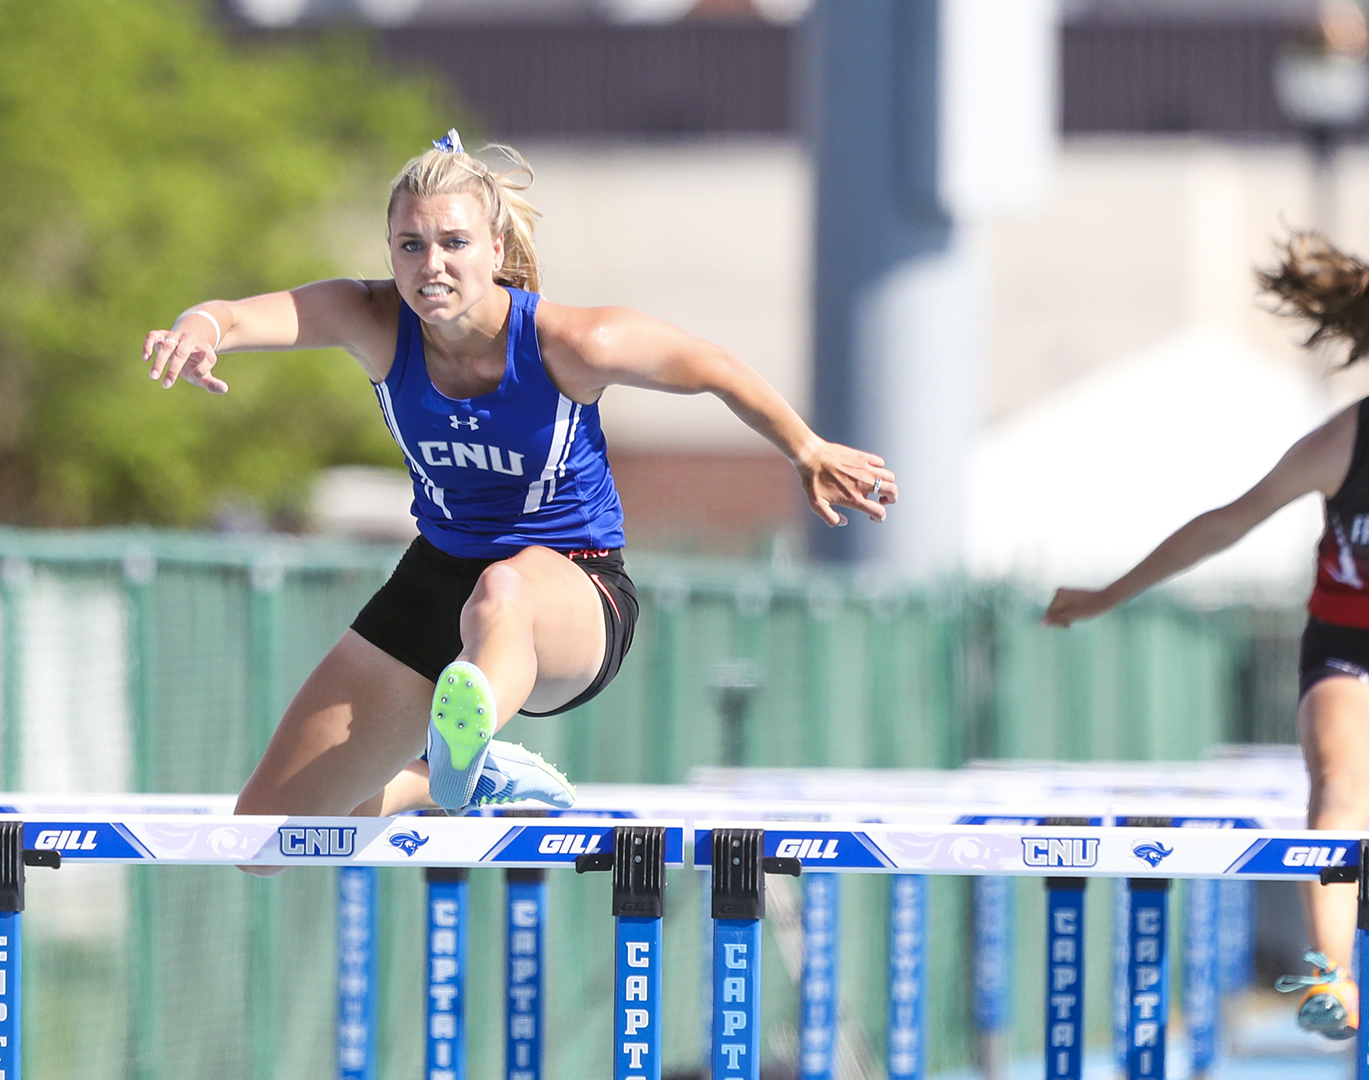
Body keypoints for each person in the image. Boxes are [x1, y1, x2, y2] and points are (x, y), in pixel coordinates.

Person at [142, 130, 896, 835]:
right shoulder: (370, 319)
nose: (430, 264)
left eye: (453, 242)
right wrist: (197, 332)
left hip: (570, 587)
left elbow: (712, 369)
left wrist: (805, 447)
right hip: (437, 582)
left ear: (494, 248)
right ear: (390, 253)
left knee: (502, 592)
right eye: (410, 245)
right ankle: (461, 773)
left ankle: (472, 727)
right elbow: (233, 316)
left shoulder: (571, 343)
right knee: (266, 836)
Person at [1044, 232, 1369, 1040]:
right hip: (1346, 649)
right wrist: (1110, 594)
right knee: (1340, 778)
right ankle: (1333, 975)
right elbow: (1226, 524)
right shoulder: (1346, 442)